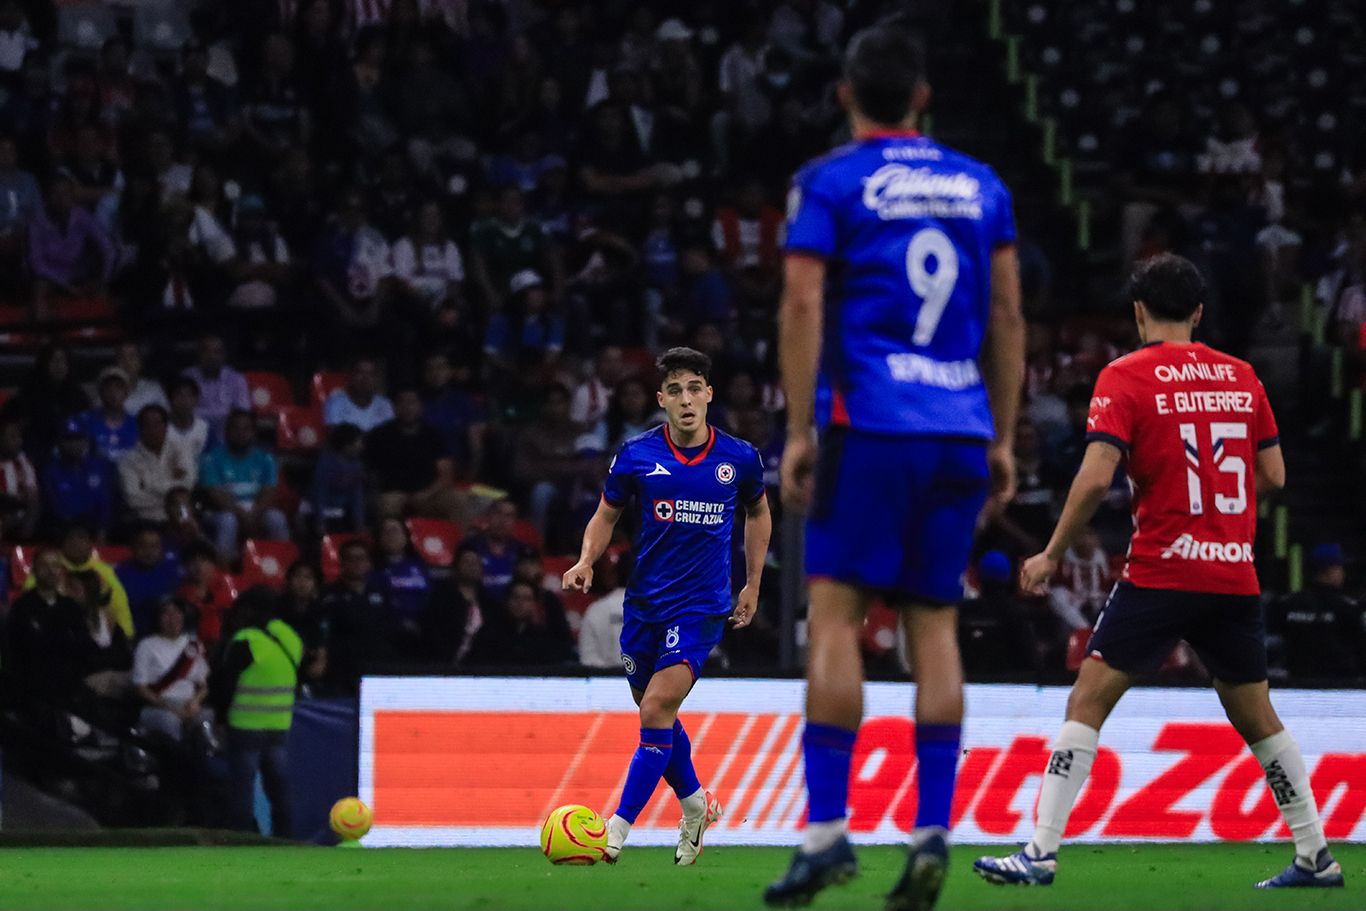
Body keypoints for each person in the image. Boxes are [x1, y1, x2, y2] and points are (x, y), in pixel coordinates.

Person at [974, 254, 1343, 889]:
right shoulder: (1242, 376)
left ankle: (1040, 851)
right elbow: (1276, 475)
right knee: (1259, 719)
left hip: (1162, 570)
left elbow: (1096, 478)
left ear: (1138, 311)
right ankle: (1315, 853)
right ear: (1198, 311)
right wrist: (1221, 519)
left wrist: (1052, 552)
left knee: (1088, 700)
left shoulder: (1125, 377)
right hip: (1232, 575)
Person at [766, 24, 1025, 909]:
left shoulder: (830, 181)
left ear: (845, 95)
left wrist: (800, 429)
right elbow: (1009, 317)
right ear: (922, 97)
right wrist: (1001, 437)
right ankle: (932, 831)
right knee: (935, 629)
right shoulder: (983, 185)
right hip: (959, 425)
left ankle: (825, 835)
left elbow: (802, 302)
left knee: (835, 621)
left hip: (869, 423)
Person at [563, 346, 770, 866]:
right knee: (656, 713)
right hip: (644, 606)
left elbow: (759, 513)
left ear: (709, 395)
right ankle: (696, 805)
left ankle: (614, 830)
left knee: (656, 708)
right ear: (662, 400)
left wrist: (752, 584)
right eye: (675, 390)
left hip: (701, 606)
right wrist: (586, 559)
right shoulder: (636, 454)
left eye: (694, 388)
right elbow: (605, 515)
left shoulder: (739, 457)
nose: (686, 399)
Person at [210, 587, 301, 836]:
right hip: (279, 725)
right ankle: (286, 839)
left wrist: (220, 718)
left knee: (242, 787)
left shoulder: (247, 639)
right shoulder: (290, 636)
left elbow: (225, 683)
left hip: (246, 724)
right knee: (279, 787)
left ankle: (242, 840)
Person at [198, 409, 290, 558]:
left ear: (253, 433)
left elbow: (269, 491)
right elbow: (215, 493)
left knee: (277, 518)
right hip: (222, 511)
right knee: (228, 521)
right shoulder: (212, 458)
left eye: (246, 428)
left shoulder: (265, 458)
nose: (240, 433)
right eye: (235, 428)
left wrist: (255, 512)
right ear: (227, 432)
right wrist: (240, 513)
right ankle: (225, 563)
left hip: (256, 509)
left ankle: (282, 561)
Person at [364, 389, 464, 524]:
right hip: (394, 494)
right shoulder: (379, 435)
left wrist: (426, 494)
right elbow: (370, 472)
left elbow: (446, 474)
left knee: (458, 499)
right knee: (387, 503)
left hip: (428, 493)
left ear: (420, 406)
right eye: (402, 402)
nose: (407, 407)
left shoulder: (433, 435)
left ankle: (460, 538)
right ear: (395, 407)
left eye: (412, 402)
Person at [1268, 543, 1366, 681]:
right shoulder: (1347, 607)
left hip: (1293, 683)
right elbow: (1361, 649)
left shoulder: (1286, 604)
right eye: (1340, 568)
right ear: (1330, 571)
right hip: (1341, 684)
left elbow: (1270, 645)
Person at [25, 524, 133, 638]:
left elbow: (120, 605)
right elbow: (29, 597)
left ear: (90, 543)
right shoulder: (50, 566)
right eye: (70, 538)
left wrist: (128, 634)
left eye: (81, 538)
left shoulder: (103, 571)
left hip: (94, 633)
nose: (75, 543)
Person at [319, 540, 397, 695]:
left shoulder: (381, 593)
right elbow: (323, 629)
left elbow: (391, 625)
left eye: (361, 558)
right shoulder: (329, 595)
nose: (357, 563)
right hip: (342, 668)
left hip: (377, 665)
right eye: (351, 559)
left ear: (369, 563)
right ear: (342, 563)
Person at [132, 598, 212, 742]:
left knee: (206, 718)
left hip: (188, 704)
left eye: (177, 613)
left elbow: (203, 686)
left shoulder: (194, 646)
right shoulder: (146, 645)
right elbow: (141, 689)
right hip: (158, 705)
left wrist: (195, 701)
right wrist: (168, 708)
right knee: (169, 721)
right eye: (167, 614)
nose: (172, 618)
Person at [468, 578, 576, 665]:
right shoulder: (488, 635)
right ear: (507, 601)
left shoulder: (543, 639)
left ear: (534, 604)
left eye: (526, 598)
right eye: (516, 597)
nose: (520, 603)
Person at [119, 405, 197, 524]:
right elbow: (133, 498)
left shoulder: (182, 450)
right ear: (139, 429)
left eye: (157, 423)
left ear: (166, 427)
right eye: (147, 425)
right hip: (147, 520)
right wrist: (174, 496)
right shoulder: (127, 460)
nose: (152, 429)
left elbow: (188, 485)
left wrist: (149, 485)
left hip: (181, 518)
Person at [41, 418, 116, 539]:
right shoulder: (50, 471)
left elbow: (106, 502)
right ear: (59, 442)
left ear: (85, 440)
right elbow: (55, 507)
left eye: (78, 438)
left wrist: (102, 530)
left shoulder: (98, 468)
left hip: (95, 530)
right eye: (68, 439)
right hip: (64, 531)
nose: (74, 444)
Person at [116, 524, 183, 637]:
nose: (148, 551)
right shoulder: (121, 574)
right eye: (142, 545)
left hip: (167, 635)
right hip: (132, 635)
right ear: (133, 547)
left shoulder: (171, 572)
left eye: (154, 546)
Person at [182, 335, 251, 441]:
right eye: (206, 351)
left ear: (223, 355)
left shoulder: (236, 378)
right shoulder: (188, 376)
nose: (211, 356)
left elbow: (242, 411)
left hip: (226, 437)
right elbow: (182, 409)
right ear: (198, 354)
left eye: (216, 352)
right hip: (193, 435)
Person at [461, 498, 533, 599]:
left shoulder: (521, 550)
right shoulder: (470, 546)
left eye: (509, 516)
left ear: (515, 521)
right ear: (489, 516)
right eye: (498, 513)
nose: (502, 520)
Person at [310, 423, 368, 532]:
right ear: (347, 444)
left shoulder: (357, 465)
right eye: (359, 442)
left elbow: (356, 494)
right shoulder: (326, 464)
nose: (361, 446)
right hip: (326, 512)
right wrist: (320, 523)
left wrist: (359, 523)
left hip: (345, 512)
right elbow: (319, 495)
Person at [177, 539, 234, 647]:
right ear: (185, 566)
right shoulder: (181, 596)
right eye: (192, 561)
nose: (198, 566)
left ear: (213, 564)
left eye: (204, 560)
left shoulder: (229, 590)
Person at [76, 368, 139, 464]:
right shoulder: (85, 420)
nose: (113, 392)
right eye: (108, 387)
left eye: (119, 387)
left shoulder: (137, 423)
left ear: (126, 392)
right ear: (100, 392)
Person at [322, 358, 394, 432]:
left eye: (370, 374)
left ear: (377, 379)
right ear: (351, 376)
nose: (365, 378)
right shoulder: (335, 403)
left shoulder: (385, 405)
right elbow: (336, 434)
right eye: (360, 373)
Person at [0, 417, 39, 539]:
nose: (17, 441)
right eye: (12, 436)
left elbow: (32, 497)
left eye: (18, 437)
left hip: (19, 518)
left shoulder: (24, 464)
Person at [114, 342, 169, 416]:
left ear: (140, 361)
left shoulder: (154, 390)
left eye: (131, 357)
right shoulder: (107, 392)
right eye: (122, 357)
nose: (127, 362)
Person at [166, 377, 210, 462]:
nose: (184, 401)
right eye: (179, 395)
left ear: (196, 400)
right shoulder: (161, 428)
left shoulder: (205, 428)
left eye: (188, 396)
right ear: (170, 400)